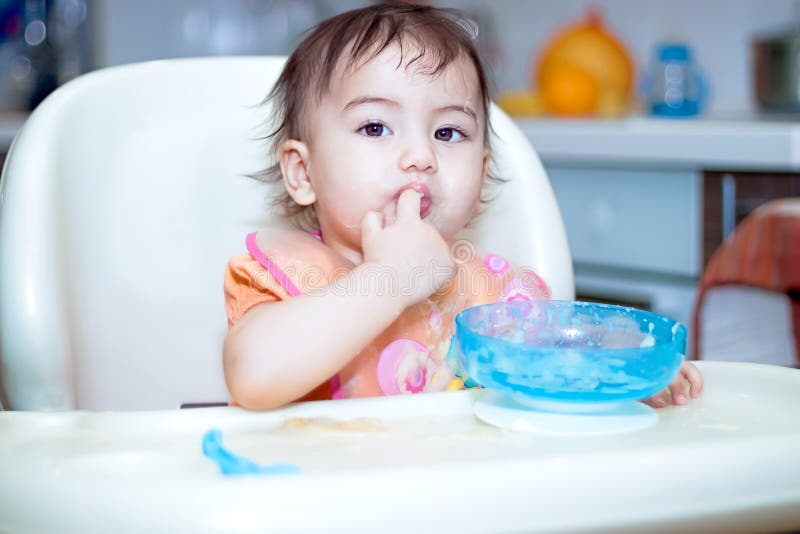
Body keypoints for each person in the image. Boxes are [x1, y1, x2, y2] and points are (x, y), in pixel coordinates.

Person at [222, 3, 703, 410]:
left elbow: (559, 374)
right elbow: (252, 378)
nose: (421, 157)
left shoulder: (499, 301)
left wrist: (625, 382)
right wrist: (388, 280)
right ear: (303, 174)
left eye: (448, 133)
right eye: (375, 128)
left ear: (480, 174)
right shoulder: (282, 281)